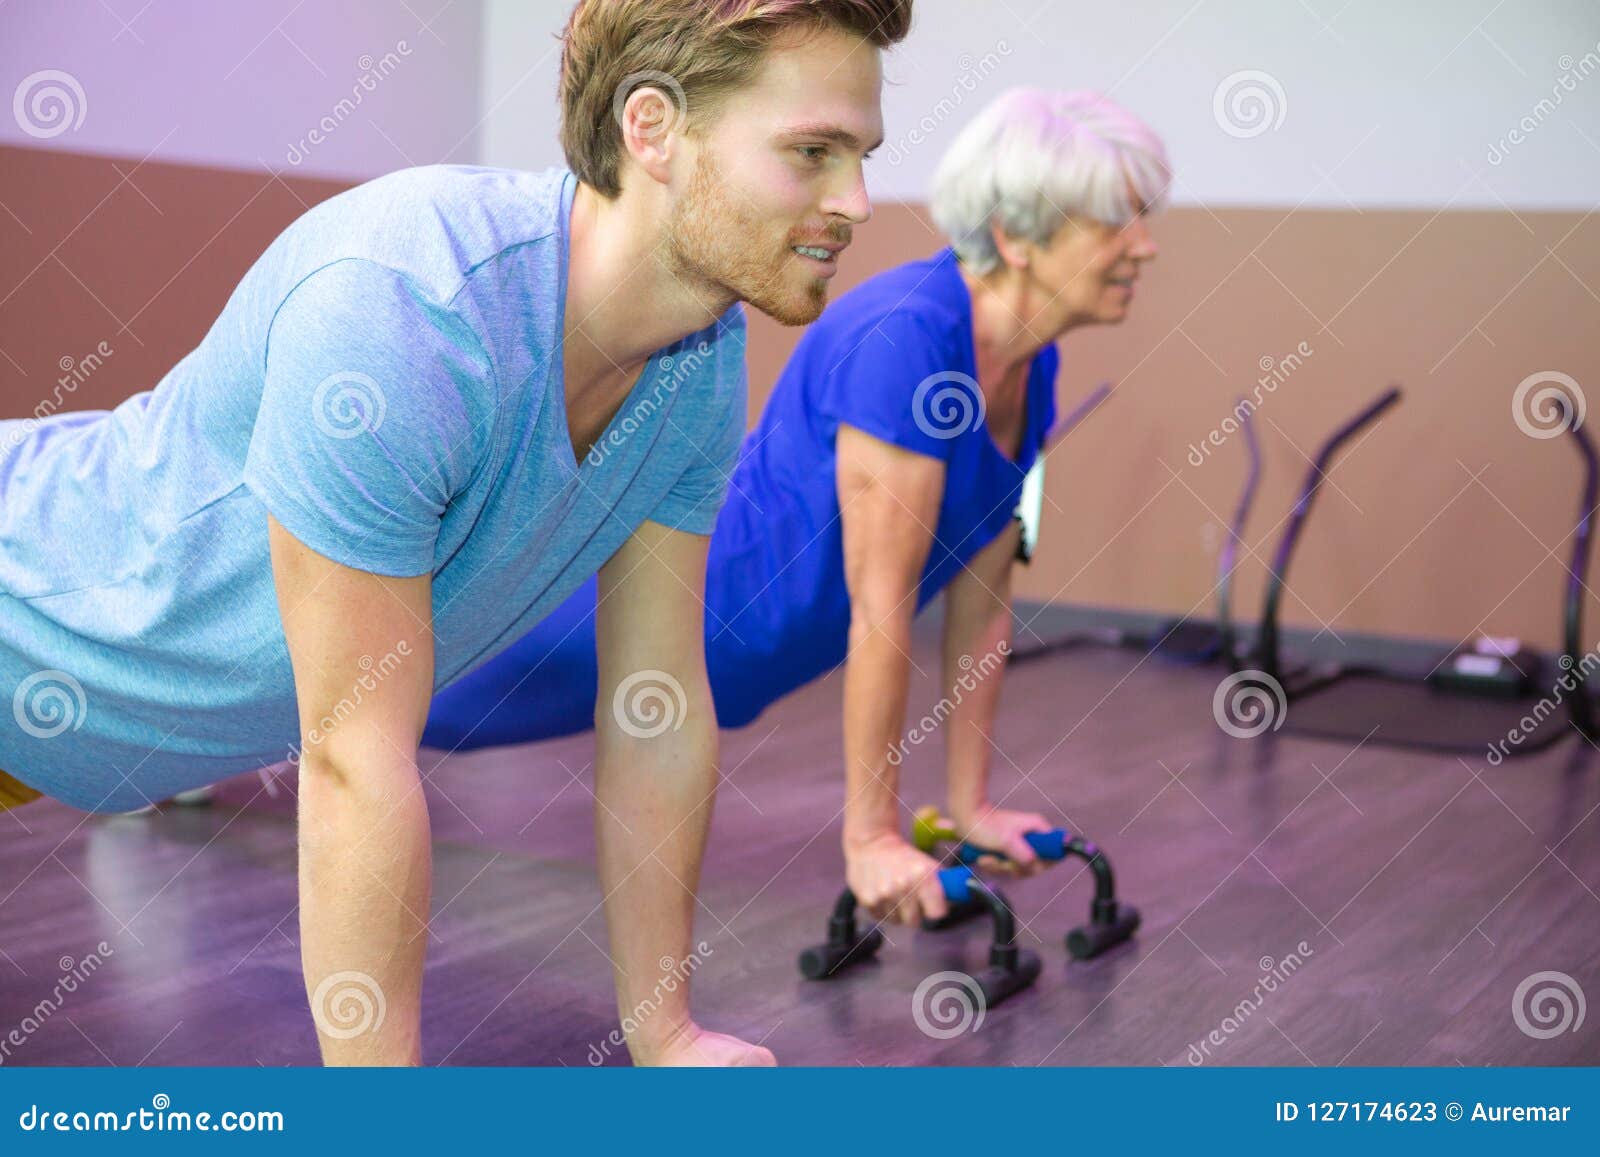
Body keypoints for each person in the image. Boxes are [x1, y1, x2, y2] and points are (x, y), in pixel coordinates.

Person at [0, 0, 913, 1066]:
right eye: (812, 151)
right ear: (652, 127)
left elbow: (653, 705)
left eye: (860, 155)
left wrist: (664, 1033)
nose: (854, 200)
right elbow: (352, 756)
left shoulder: (696, 359)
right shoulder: (406, 304)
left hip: (69, 725)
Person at [423, 88, 1169, 926]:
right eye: (1119, 222)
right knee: (401, 702)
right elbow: (883, 611)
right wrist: (872, 838)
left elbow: (985, 602)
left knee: (397, 712)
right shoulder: (906, 340)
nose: (1144, 246)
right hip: (659, 615)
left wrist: (971, 806)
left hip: (742, 660)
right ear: (1015, 238)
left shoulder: (1031, 369)